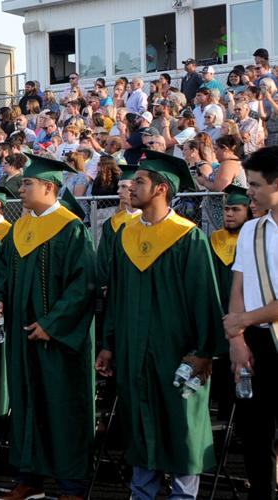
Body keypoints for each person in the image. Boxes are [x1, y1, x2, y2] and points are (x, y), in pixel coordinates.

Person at [95, 151, 224, 499]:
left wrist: (203, 351)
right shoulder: (125, 236)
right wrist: (108, 343)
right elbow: (116, 297)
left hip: (177, 354)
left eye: (140, 181)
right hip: (132, 353)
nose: (131, 187)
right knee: (139, 424)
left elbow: (204, 300)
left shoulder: (188, 237)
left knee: (181, 426)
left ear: (162, 189)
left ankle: (183, 496)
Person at [0, 154, 97, 500]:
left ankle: (70, 486)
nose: (22, 188)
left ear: (49, 187)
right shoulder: (20, 229)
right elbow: (1, 274)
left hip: (58, 342)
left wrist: (52, 324)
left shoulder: (71, 229)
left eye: (28, 183)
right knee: (26, 402)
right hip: (21, 337)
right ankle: (28, 478)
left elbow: (84, 286)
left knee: (62, 407)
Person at [223, 146, 278, 500]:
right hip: (254, 344)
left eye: (256, 185)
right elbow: (239, 285)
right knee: (255, 435)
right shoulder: (251, 230)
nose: (250, 192)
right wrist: (238, 340)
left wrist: (241, 320)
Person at [210, 185, 252, 309]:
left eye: (235, 210)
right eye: (226, 209)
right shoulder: (214, 239)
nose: (229, 214)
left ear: (248, 213)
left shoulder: (254, 240)